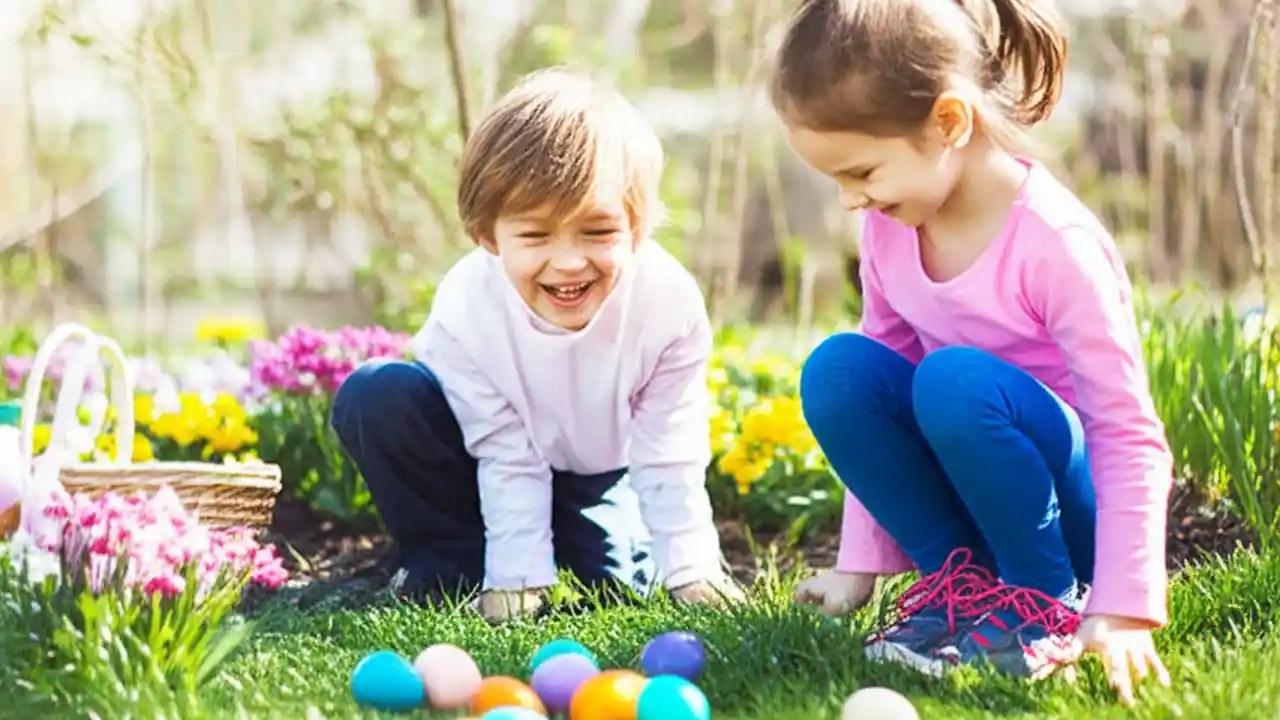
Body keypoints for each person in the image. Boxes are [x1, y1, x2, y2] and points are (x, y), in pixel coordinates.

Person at [768, 0, 1173, 706]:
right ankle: (955, 587)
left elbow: (1127, 430)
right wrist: (858, 566)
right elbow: (877, 394)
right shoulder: (893, 227)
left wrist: (1126, 603)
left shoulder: (1055, 245)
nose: (849, 202)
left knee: (952, 380)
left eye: (861, 173)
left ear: (949, 123)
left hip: (1066, 513)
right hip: (974, 486)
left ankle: (1044, 601)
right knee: (840, 371)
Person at [330, 68, 741, 624]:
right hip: (482, 457)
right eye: (535, 235)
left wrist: (693, 571)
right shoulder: (465, 312)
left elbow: (668, 452)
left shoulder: (667, 307)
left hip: (593, 473)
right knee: (376, 394)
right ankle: (448, 557)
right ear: (487, 235)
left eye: (598, 232)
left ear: (637, 229)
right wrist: (516, 582)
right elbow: (504, 449)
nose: (569, 262)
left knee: (614, 583)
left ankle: (596, 547)